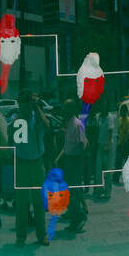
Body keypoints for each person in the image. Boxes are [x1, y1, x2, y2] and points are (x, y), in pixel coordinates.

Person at [13, 90, 51, 247]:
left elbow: (47, 126)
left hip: (36, 163)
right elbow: (15, 140)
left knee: (39, 202)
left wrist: (36, 107)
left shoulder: (37, 120)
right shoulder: (17, 121)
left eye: (27, 102)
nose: (24, 106)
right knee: (22, 203)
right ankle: (20, 236)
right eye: (22, 103)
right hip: (21, 163)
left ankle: (42, 235)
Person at [56, 100, 87, 234]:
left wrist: (77, 164)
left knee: (72, 193)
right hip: (69, 160)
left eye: (66, 108)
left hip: (74, 161)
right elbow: (69, 145)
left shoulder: (76, 124)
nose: (63, 110)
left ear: (72, 109)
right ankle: (76, 218)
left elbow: (83, 145)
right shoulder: (69, 124)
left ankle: (78, 218)